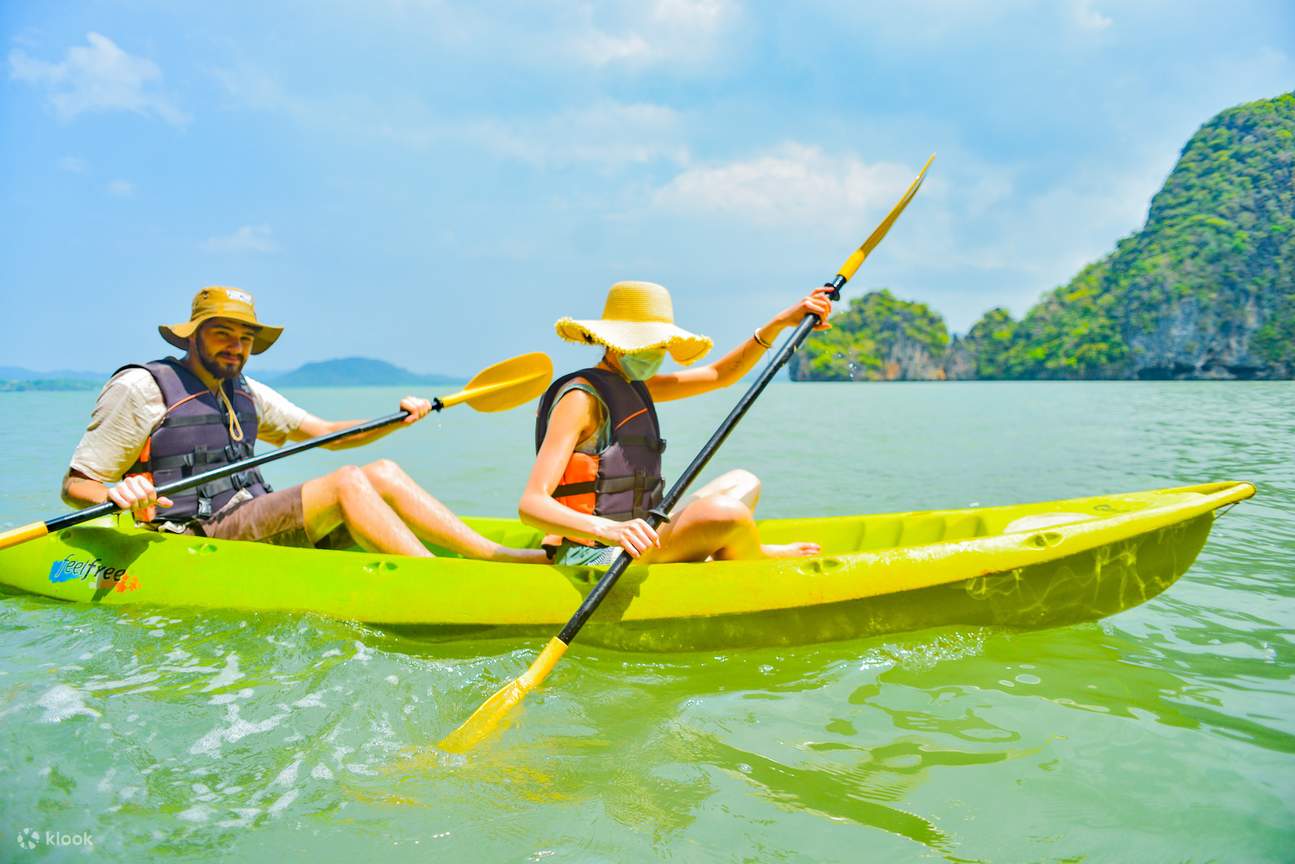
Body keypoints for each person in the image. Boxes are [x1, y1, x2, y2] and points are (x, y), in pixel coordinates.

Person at [61, 286, 545, 563]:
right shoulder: (141, 388)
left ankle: (493, 557)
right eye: (222, 334)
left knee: (380, 470)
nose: (236, 346)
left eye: (245, 337)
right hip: (194, 535)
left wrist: (402, 418)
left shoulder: (246, 391)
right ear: (194, 337)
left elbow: (327, 434)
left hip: (247, 515)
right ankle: (440, 579)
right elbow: (76, 484)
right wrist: (113, 494)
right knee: (348, 483)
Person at [521, 280, 832, 566]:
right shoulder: (581, 399)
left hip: (639, 535)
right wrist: (609, 530)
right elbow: (532, 505)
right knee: (727, 514)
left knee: (743, 482)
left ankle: (733, 547)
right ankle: (752, 555)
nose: (655, 353)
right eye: (644, 343)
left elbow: (720, 376)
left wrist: (779, 323)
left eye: (660, 345)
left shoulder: (635, 385)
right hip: (598, 553)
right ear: (612, 342)